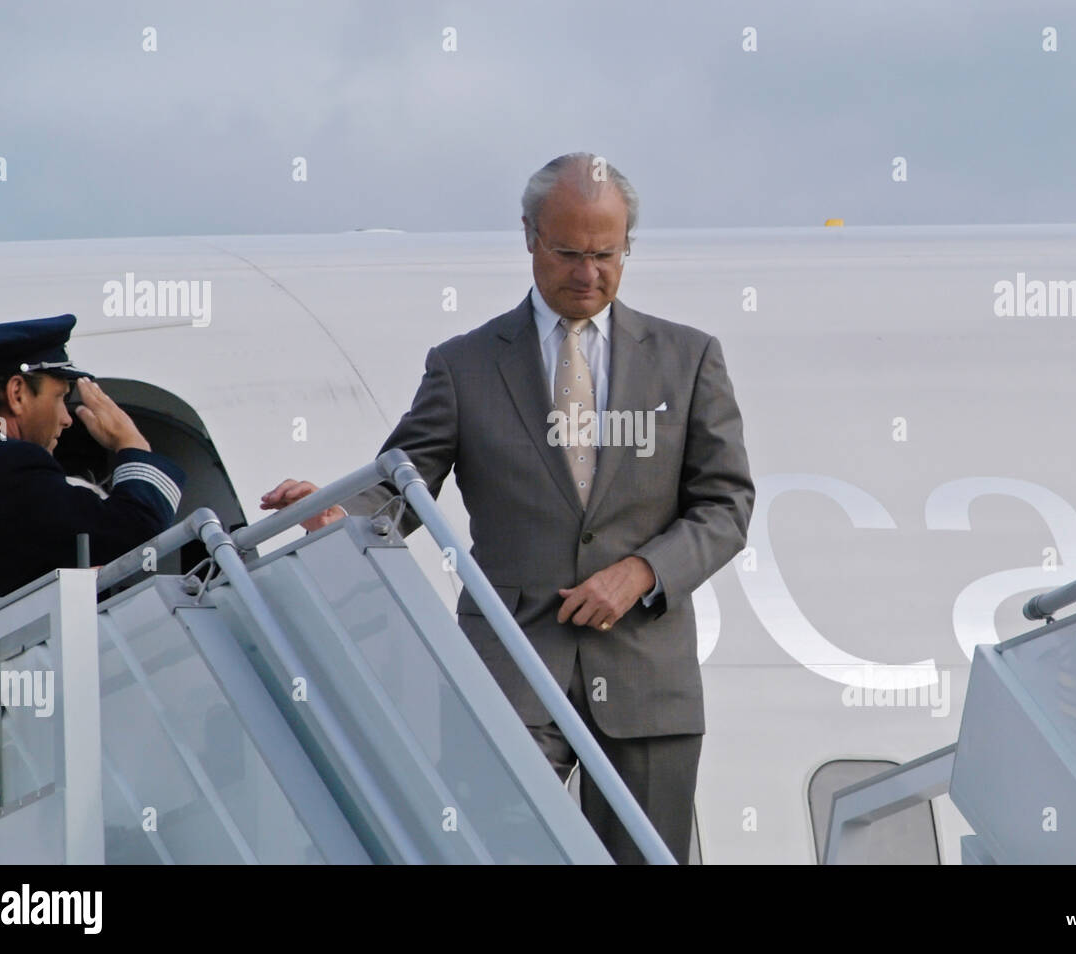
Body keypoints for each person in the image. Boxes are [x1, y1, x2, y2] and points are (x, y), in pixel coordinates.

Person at [261, 154, 753, 863]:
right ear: (528, 236)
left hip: (649, 675)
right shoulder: (463, 366)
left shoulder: (690, 358)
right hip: (513, 667)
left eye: (605, 255)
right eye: (567, 253)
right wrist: (337, 510)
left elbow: (727, 503)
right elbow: (402, 483)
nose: (587, 274)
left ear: (627, 247)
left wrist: (642, 572)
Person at [0, 314, 185, 600]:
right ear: (17, 393)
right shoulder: (9, 464)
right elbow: (132, 529)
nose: (66, 419)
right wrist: (131, 444)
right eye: (60, 397)